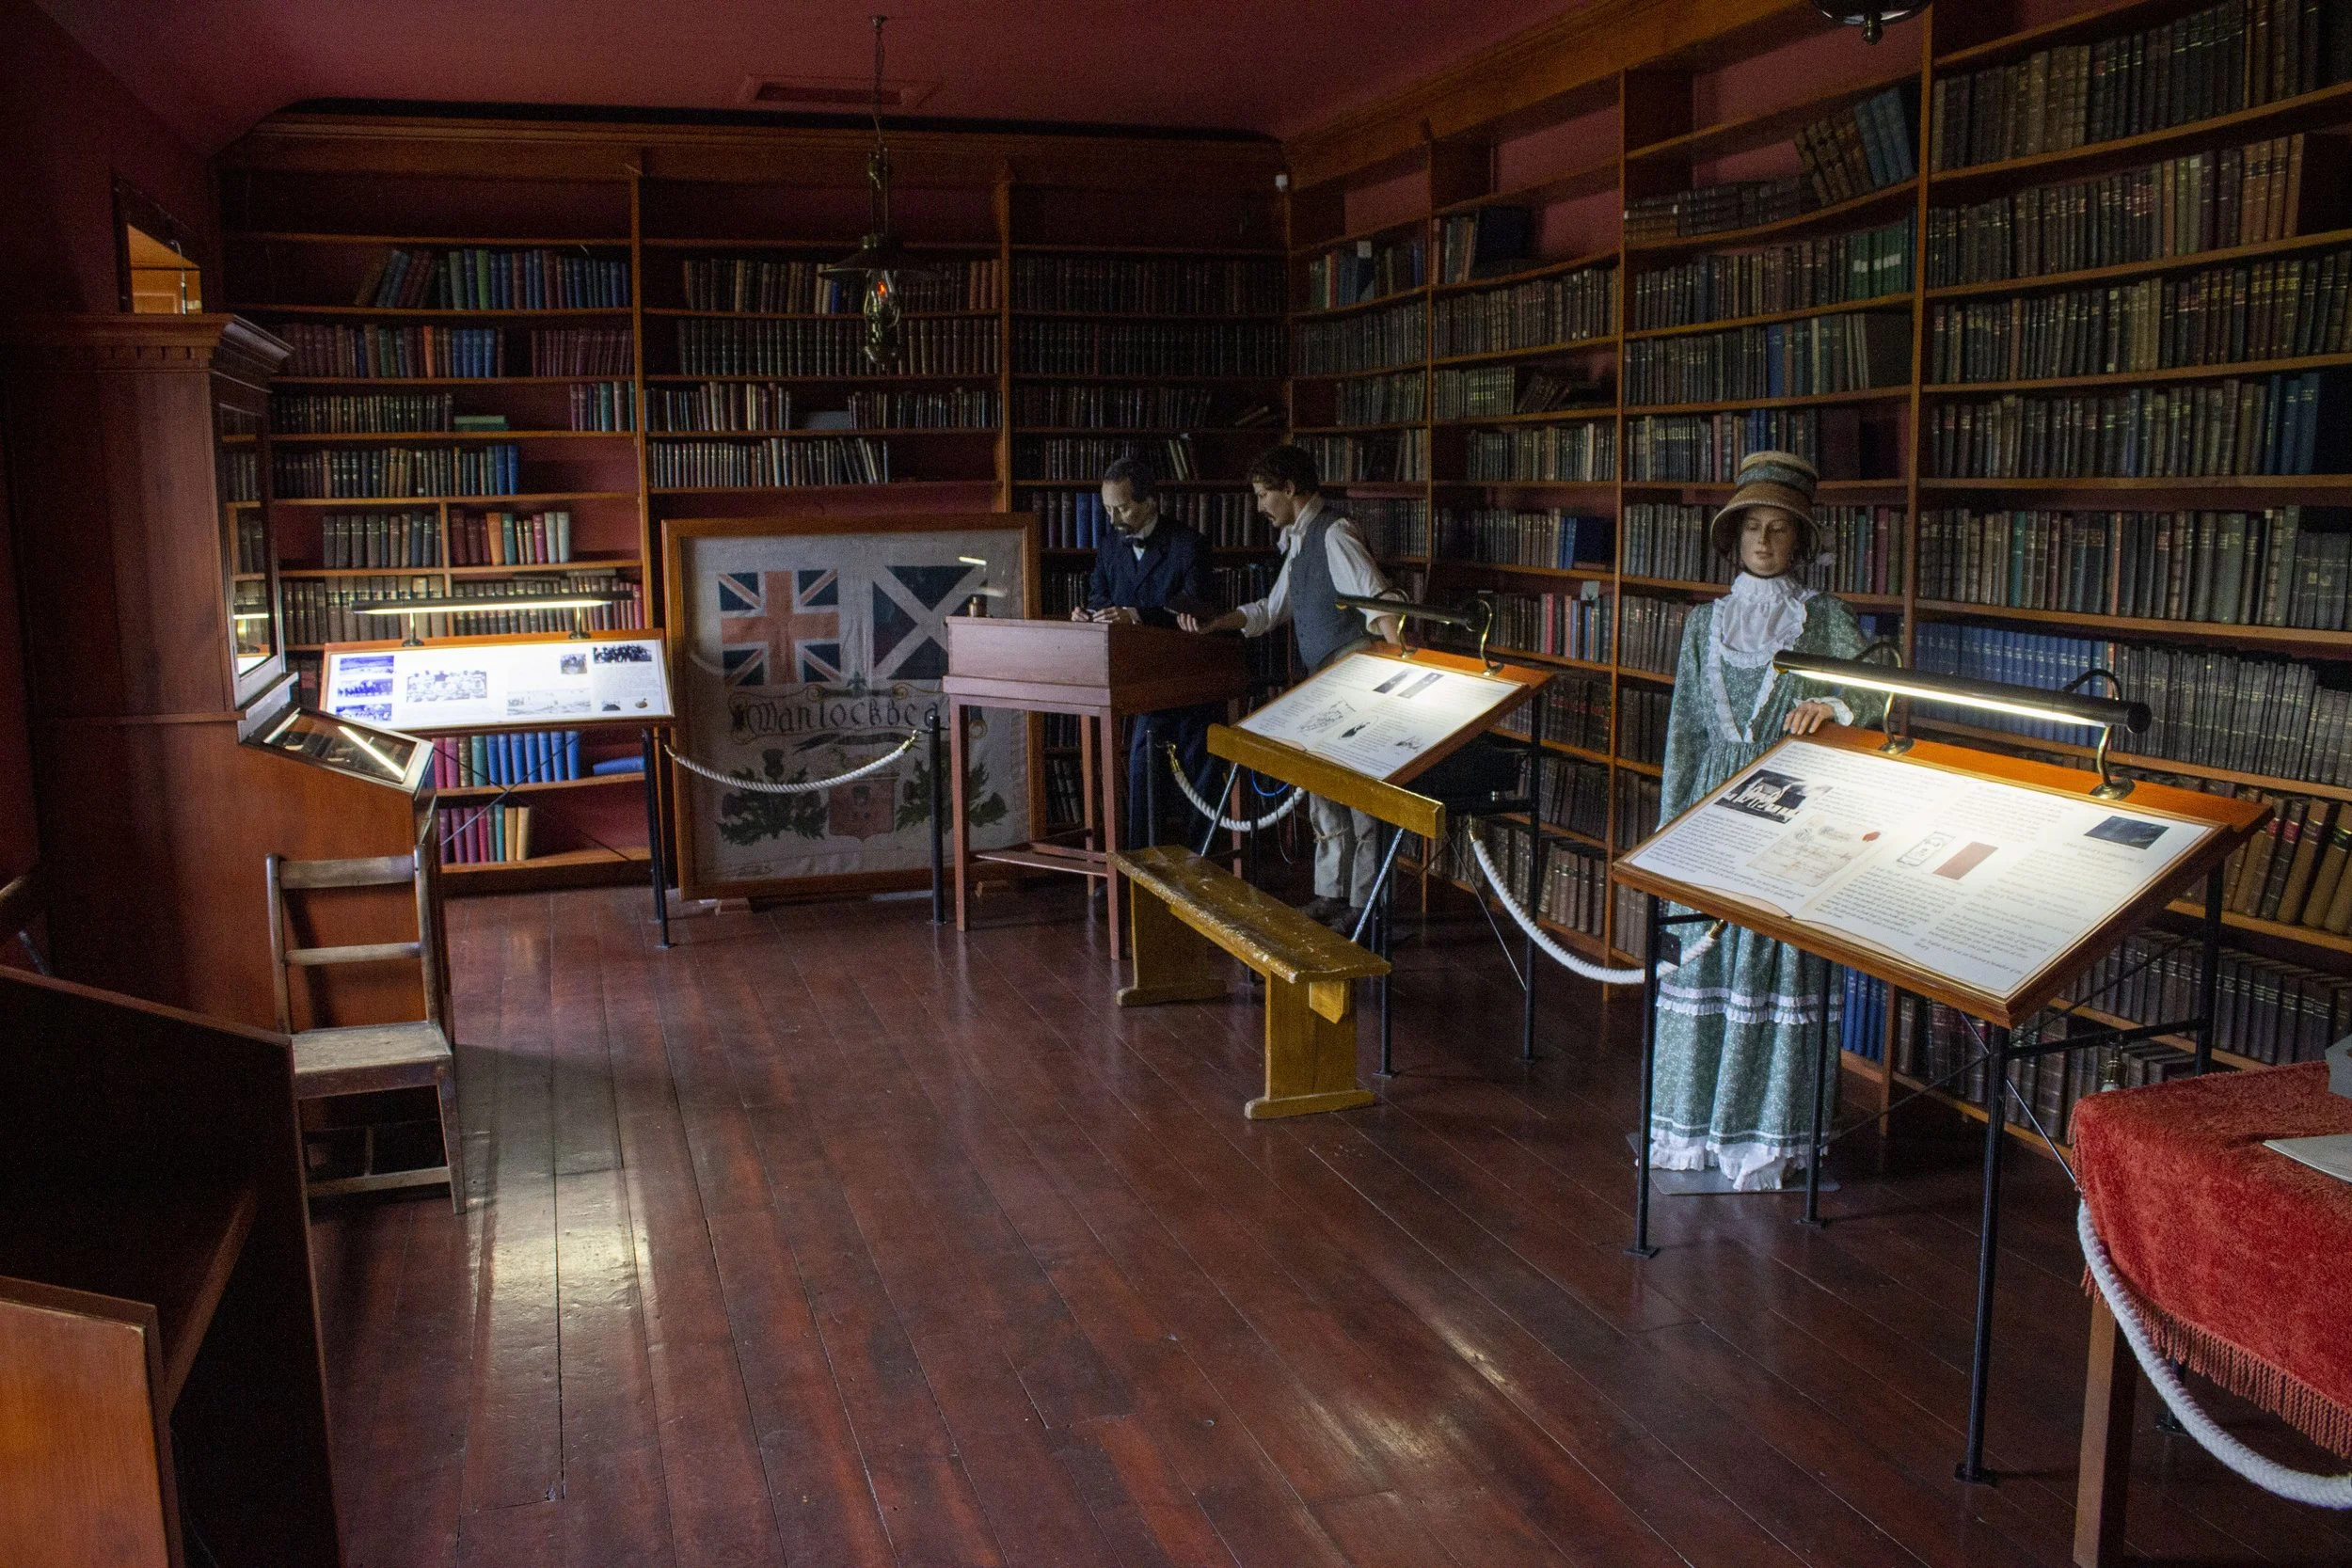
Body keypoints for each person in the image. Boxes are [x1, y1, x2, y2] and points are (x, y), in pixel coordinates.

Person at [1649, 450, 1888, 1190]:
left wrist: (1839, 706)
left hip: (1788, 814)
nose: (1763, 541)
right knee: (1707, 955)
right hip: (1710, 817)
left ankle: (1764, 1135)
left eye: (1779, 528)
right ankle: (1694, 1129)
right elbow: (1686, 729)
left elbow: (1883, 686)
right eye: (1752, 526)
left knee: (1770, 964)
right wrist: (1670, 837)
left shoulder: (1825, 620)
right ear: (1732, 535)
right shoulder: (1701, 626)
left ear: (1800, 539)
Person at [1180, 443, 1401, 930]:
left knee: (1360, 797)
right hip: (1325, 679)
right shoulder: (1299, 542)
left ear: (1290, 489)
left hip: (1355, 676)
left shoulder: (1334, 533)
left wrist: (1401, 664)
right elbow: (1271, 610)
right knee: (1324, 791)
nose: (1259, 506)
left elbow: (1379, 598)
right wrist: (1219, 622)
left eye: (1263, 494)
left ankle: (1364, 905)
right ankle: (1330, 895)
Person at [1070, 454, 1216, 847]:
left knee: (1198, 786)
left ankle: (1201, 874)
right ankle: (1140, 874)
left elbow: (1199, 607)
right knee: (1141, 779)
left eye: (1123, 507)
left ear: (1150, 501)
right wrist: (1089, 615)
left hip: (1188, 684)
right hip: (1137, 686)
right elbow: (1099, 595)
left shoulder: (1189, 546)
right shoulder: (1109, 547)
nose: (1115, 517)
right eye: (1108, 509)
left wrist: (1137, 615)